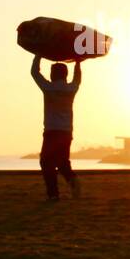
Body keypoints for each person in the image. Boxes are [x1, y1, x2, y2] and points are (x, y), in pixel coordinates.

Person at [31, 54, 82, 200]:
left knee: (46, 162)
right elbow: (77, 79)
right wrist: (78, 63)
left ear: (53, 75)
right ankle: (73, 181)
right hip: (66, 132)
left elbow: (34, 73)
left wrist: (38, 54)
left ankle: (53, 194)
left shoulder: (48, 88)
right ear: (65, 75)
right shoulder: (71, 89)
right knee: (62, 162)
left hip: (52, 132)